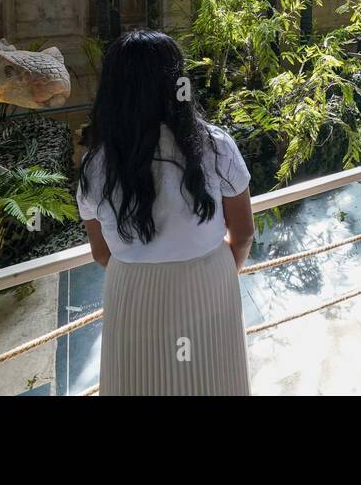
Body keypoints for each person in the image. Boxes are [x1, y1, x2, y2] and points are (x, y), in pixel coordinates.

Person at [77, 30, 254, 395]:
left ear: (113, 91)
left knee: (138, 382)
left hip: (132, 293)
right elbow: (244, 231)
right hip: (209, 284)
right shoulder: (216, 146)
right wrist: (221, 270)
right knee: (213, 380)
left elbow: (100, 252)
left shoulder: (95, 165)